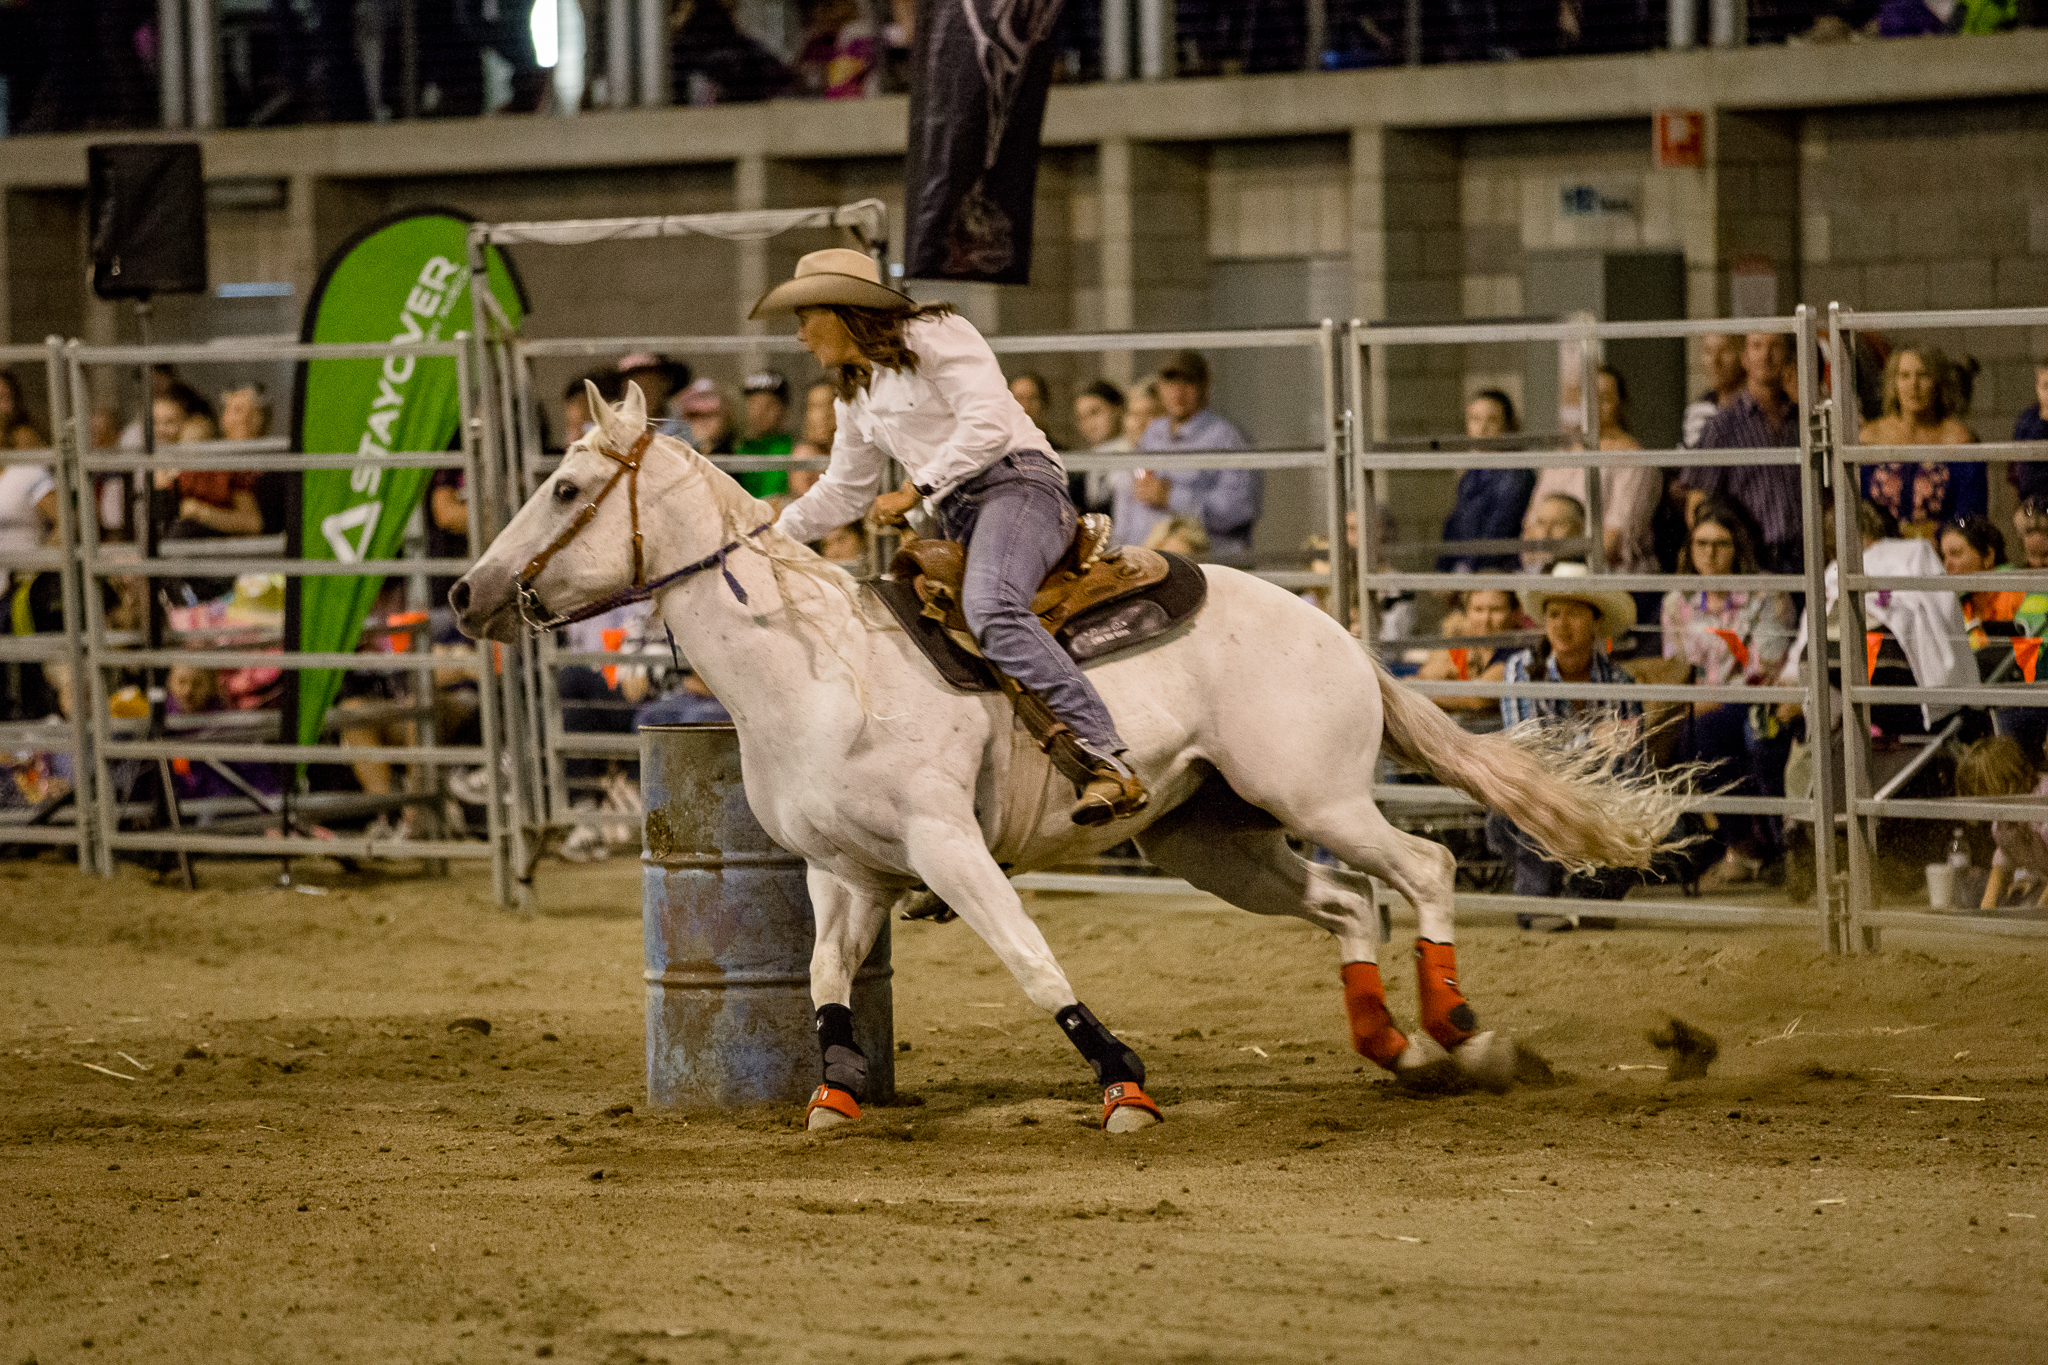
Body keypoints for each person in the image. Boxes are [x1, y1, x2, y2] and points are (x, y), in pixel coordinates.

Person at [750, 246, 1145, 823]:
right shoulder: (855, 394)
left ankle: (1108, 757)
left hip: (1019, 486)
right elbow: (845, 490)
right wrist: (768, 534)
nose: (802, 336)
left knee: (992, 608)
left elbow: (987, 424)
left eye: (805, 318)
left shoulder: (936, 333)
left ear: (839, 311)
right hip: (957, 512)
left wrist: (915, 489)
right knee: (902, 640)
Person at [1487, 563, 1645, 921]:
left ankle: (1584, 898)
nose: (1561, 624)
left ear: (1595, 622)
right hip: (1540, 795)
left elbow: (1629, 764)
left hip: (1597, 800)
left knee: (1636, 817)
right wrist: (1593, 741)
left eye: (1574, 613)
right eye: (1554, 614)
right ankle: (1540, 901)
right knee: (1526, 796)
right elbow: (1528, 749)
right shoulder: (1522, 670)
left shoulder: (1620, 684)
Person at [1659, 497, 1799, 887]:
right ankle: (1740, 842)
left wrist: (1705, 700)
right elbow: (1676, 667)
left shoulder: (1766, 595)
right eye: (1702, 544)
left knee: (1705, 733)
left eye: (1721, 544)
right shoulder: (1677, 602)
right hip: (1700, 703)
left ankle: (1768, 843)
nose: (1710, 554)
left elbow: (1764, 668)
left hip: (1756, 699)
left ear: (1738, 548)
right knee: (1684, 738)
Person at [1114, 350, 1259, 567]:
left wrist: (1171, 496)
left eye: (1188, 383)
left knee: (1178, 549)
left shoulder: (1224, 437)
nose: (1178, 392)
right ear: (1160, 387)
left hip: (1207, 560)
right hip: (1147, 559)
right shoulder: (1153, 434)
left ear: (1204, 387)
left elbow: (1239, 510)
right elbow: (1134, 502)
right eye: (1171, 383)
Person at [1681, 331, 1804, 573]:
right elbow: (1699, 501)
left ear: (1789, 357)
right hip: (1751, 561)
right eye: (1757, 346)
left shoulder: (1803, 420)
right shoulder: (1722, 426)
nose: (1766, 356)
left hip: (1806, 556)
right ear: (1744, 358)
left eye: (1775, 346)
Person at [1529, 366, 1660, 577]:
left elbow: (1616, 534)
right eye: (1588, 397)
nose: (1594, 406)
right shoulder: (1561, 454)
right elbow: (1534, 519)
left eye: (1605, 398)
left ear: (1621, 403)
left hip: (1608, 573)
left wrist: (1572, 569)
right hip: (1548, 569)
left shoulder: (1634, 460)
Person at [1859, 347, 1983, 537]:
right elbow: (1857, 507)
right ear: (1894, 383)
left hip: (1943, 552)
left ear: (1938, 383)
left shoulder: (1959, 438)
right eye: (1905, 376)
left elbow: (1972, 512)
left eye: (1923, 375)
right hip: (1879, 553)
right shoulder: (1870, 437)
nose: (1913, 385)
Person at [1437, 389, 1534, 574]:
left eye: (1492, 420)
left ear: (1507, 425)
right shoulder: (1471, 475)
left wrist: (1465, 570)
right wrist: (1445, 568)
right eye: (1475, 419)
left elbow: (1499, 532)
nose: (1482, 429)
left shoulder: (1516, 474)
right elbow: (1456, 525)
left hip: (1500, 573)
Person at [1955, 736, 2048, 911]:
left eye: (1981, 794)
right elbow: (2004, 861)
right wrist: (1987, 909)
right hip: (2040, 879)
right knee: (1972, 887)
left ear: (2006, 783)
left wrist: (2038, 911)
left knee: (2028, 907)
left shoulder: (2042, 803)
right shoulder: (2003, 820)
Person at [1416, 587, 1526, 728]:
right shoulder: (1464, 647)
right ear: (1467, 613)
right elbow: (1428, 673)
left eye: (1496, 610)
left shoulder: (1517, 653)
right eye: (1478, 610)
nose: (1486, 619)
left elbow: (1477, 697)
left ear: (1515, 613)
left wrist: (1429, 692)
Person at [1939, 515, 2022, 648]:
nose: (1946, 566)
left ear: (1988, 556)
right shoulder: (1954, 605)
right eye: (1944, 556)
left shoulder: (2017, 597)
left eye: (1956, 554)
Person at [732, 370, 795, 499]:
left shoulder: (794, 450)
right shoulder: (737, 450)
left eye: (769, 405)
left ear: (785, 409)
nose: (759, 412)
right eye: (753, 404)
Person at [1071, 378, 1128, 513]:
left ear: (1118, 410)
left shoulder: (1134, 453)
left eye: (1095, 412)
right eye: (1081, 417)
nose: (1088, 423)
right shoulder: (1081, 469)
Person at [1682, 333, 1746, 450]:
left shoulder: (1755, 407)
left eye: (1724, 351)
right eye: (1708, 351)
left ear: (1743, 356)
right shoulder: (1698, 410)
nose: (1715, 361)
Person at [2009, 357, 2048, 504]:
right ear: (2037, 385)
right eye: (2046, 386)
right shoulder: (2027, 420)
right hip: (2031, 504)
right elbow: (2015, 474)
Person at [1520, 491, 1587, 573]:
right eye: (1541, 523)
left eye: (1557, 524)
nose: (1546, 533)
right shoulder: (1532, 572)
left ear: (1580, 529)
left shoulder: (1591, 572)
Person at [676, 377, 737, 455]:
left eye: (710, 414)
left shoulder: (740, 454)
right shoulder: (675, 455)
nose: (702, 422)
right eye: (694, 415)